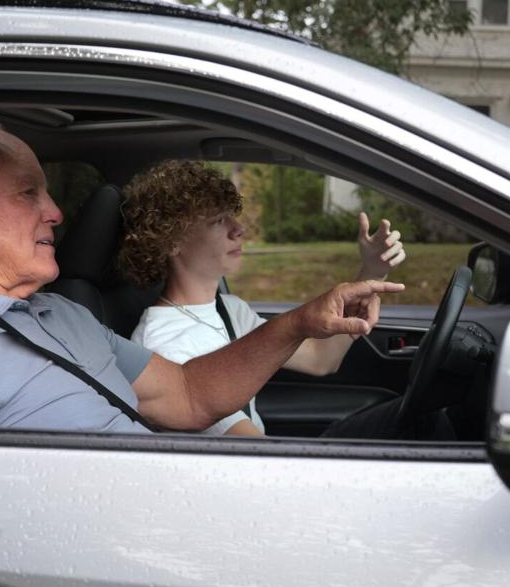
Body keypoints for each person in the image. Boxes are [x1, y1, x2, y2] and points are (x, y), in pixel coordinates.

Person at [0, 117, 402, 434]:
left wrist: (300, 321)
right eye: (28, 193)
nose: (56, 213)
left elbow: (189, 395)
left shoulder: (63, 315)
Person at [117, 160, 409, 438]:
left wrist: (372, 272)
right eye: (219, 220)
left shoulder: (230, 308)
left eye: (232, 215)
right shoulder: (166, 344)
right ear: (173, 241)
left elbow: (322, 360)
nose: (239, 228)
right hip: (252, 474)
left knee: (412, 413)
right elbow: (251, 451)